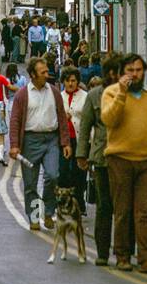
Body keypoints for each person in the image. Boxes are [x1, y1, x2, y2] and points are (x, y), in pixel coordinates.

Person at [101, 52, 147, 274]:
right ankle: (122, 256)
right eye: (130, 70)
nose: (135, 74)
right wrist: (121, 93)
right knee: (122, 211)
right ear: (121, 73)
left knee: (145, 213)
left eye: (139, 70)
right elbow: (109, 120)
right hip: (120, 159)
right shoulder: (111, 92)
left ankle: (145, 259)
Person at [8, 58, 71, 231]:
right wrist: (14, 145)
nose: (47, 74)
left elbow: (62, 118)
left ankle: (49, 212)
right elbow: (15, 120)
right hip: (30, 141)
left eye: (47, 71)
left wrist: (65, 142)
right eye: (43, 72)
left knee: (53, 176)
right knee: (30, 183)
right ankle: (34, 217)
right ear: (33, 75)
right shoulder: (22, 94)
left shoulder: (54, 92)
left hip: (51, 140)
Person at [58, 66, 89, 209]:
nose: (70, 84)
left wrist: (73, 115)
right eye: (67, 81)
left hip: (80, 139)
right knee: (63, 171)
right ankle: (65, 200)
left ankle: (79, 201)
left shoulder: (85, 96)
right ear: (63, 81)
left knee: (79, 172)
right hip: (64, 140)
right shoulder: (60, 96)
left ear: (77, 82)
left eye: (73, 81)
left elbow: (89, 118)